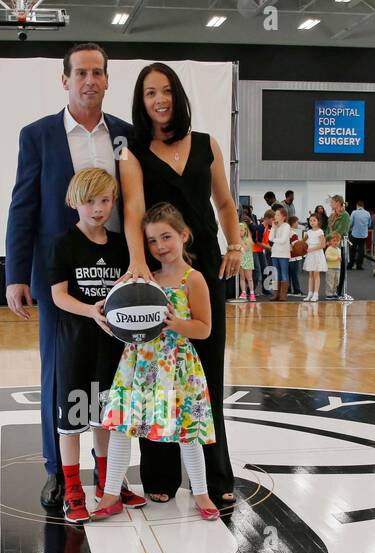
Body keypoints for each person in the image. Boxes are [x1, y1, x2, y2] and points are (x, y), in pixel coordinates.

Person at [6, 43, 133, 510]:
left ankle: (110, 475)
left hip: (117, 280)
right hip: (63, 282)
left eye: (97, 72)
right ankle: (60, 474)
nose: (89, 80)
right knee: (60, 380)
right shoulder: (37, 135)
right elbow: (23, 206)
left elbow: (136, 204)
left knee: (114, 381)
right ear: (65, 80)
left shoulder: (125, 135)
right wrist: (16, 274)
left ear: (106, 80)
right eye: (80, 72)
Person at [116, 61, 240, 507]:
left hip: (204, 264)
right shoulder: (132, 150)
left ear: (178, 96)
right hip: (158, 269)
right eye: (150, 93)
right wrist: (138, 264)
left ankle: (215, 471)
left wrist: (237, 245)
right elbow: (133, 210)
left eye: (165, 91)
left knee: (207, 370)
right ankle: (161, 472)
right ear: (141, 101)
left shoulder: (207, 144)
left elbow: (224, 202)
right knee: (158, 373)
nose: (159, 100)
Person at [92, 203, 219, 522]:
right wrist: (110, 311)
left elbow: (204, 329)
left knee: (188, 431)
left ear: (183, 235)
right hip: (138, 364)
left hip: (177, 366)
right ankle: (110, 494)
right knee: (121, 427)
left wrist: (177, 324)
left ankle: (201, 492)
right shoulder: (143, 279)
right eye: (152, 241)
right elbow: (121, 316)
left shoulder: (194, 279)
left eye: (166, 237)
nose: (160, 246)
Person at [48, 168, 143, 524]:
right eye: (90, 201)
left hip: (112, 350)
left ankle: (108, 483)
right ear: (74, 201)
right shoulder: (63, 244)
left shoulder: (121, 245)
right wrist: (90, 310)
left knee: (105, 421)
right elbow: (57, 297)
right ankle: (73, 489)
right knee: (71, 423)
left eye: (105, 200)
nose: (98, 208)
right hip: (75, 347)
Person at [324, 195, 349, 296]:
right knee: (331, 268)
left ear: (338, 202)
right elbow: (327, 228)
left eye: (332, 202)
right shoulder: (332, 215)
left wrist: (328, 237)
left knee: (341, 269)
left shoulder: (345, 215)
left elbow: (341, 230)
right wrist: (326, 237)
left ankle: (339, 291)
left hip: (341, 244)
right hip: (331, 244)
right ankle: (331, 291)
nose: (330, 204)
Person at [302, 212, 326, 301]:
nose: (312, 222)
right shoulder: (308, 232)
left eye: (314, 220)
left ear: (318, 221)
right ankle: (309, 293)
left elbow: (323, 245)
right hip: (310, 254)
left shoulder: (320, 231)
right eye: (310, 220)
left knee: (316, 275)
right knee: (310, 275)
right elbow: (304, 242)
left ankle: (316, 294)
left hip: (317, 254)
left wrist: (311, 249)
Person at [268, 206, 291, 302]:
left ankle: (283, 295)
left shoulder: (286, 226)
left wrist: (274, 240)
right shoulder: (276, 226)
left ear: (284, 217)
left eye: (278, 215)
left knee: (284, 273)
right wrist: (273, 228)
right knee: (275, 274)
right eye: (275, 215)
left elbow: (283, 240)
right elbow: (270, 238)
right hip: (275, 253)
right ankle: (276, 294)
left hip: (284, 254)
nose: (276, 216)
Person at [235, 210, 256, 305]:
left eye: (242, 230)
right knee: (242, 277)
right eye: (238, 230)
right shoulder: (237, 240)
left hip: (247, 261)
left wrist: (240, 241)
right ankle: (243, 292)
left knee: (249, 278)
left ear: (245, 231)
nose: (240, 232)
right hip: (241, 261)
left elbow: (246, 248)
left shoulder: (247, 240)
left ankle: (252, 293)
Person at [348, 201, 370, 270]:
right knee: (361, 250)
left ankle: (350, 265)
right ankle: (359, 265)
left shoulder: (354, 212)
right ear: (363, 206)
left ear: (357, 205)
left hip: (354, 234)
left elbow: (350, 223)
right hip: (363, 235)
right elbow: (369, 224)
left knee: (352, 250)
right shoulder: (367, 213)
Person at [287, 214, 304, 296]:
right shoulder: (293, 233)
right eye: (297, 222)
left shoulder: (287, 232)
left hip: (288, 256)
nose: (298, 224)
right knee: (295, 275)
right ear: (293, 223)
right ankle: (297, 291)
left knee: (289, 274)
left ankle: (288, 290)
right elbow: (296, 247)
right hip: (295, 257)